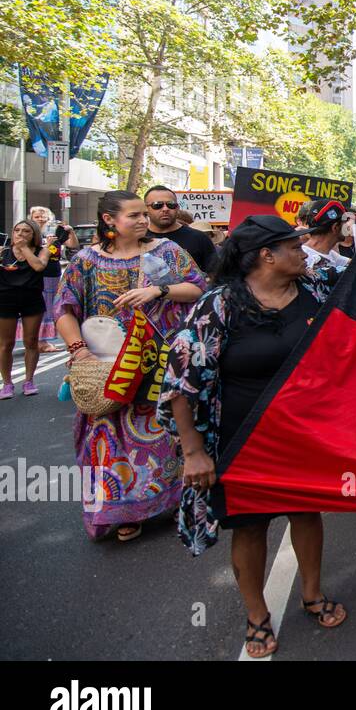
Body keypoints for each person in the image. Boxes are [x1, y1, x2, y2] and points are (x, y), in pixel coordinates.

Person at [162, 214, 352, 658]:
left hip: (304, 435)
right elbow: (180, 384)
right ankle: (257, 616)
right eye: (294, 246)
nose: (304, 252)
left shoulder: (315, 290)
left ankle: (312, 594)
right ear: (267, 255)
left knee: (306, 512)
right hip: (243, 437)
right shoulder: (219, 305)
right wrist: (193, 453)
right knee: (249, 525)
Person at [54, 190, 206, 541]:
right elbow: (64, 309)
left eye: (144, 214)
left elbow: (197, 288)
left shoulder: (167, 252)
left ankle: (165, 502)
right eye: (134, 215)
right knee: (108, 434)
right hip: (106, 365)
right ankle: (121, 509)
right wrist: (79, 352)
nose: (143, 220)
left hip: (157, 364)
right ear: (109, 220)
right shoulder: (86, 261)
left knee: (162, 433)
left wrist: (158, 291)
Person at [0, 220, 51, 397]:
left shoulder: (41, 251)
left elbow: (38, 266)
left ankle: (29, 381)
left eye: (26, 231)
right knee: (6, 344)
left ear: (33, 235)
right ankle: (7, 383)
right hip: (6, 299)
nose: (20, 234)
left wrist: (25, 249)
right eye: (17, 230)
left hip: (32, 299)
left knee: (31, 341)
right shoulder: (3, 252)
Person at [26, 205, 75, 352]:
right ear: (31, 218)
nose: (40, 219)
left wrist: (71, 232)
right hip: (34, 273)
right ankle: (38, 341)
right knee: (38, 306)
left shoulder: (56, 232)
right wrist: (46, 246)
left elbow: (73, 245)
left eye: (43, 216)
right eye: (37, 216)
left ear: (49, 218)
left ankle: (42, 340)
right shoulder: (28, 232)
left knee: (50, 306)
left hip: (52, 273)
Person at [144, 185, 217, 273]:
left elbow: (215, 276)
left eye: (171, 204)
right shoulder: (136, 238)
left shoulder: (199, 238)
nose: (165, 209)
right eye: (157, 205)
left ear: (177, 208)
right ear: (145, 209)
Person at [297, 198, 351, 272]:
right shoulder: (302, 258)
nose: (348, 226)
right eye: (345, 223)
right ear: (335, 227)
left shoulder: (330, 254)